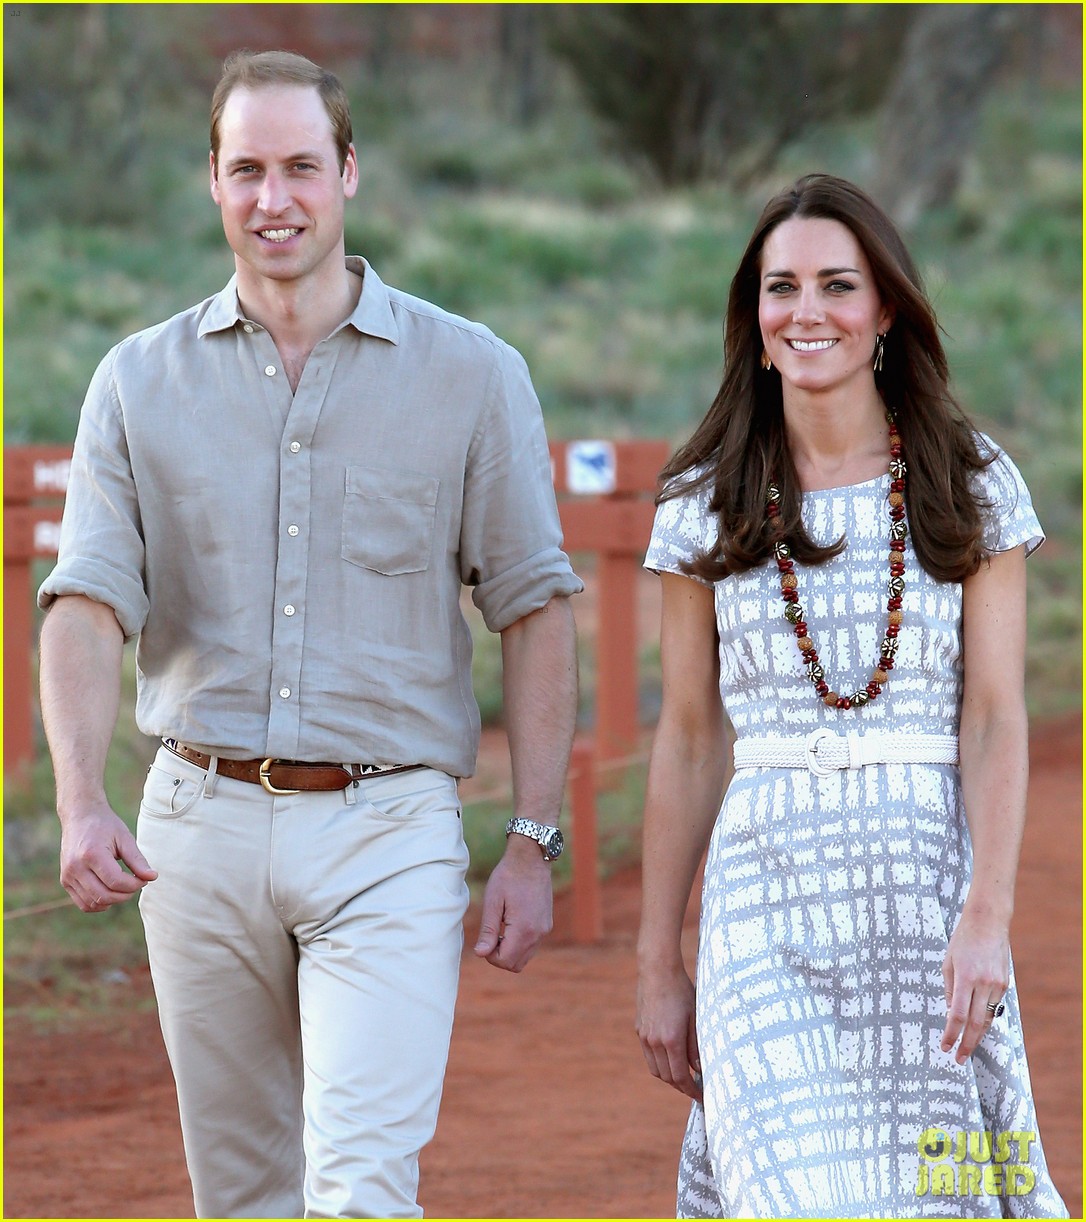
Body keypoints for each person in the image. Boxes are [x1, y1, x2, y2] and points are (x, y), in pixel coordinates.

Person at [38, 49, 582, 1220]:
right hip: (195, 828)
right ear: (214, 184)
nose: (272, 198)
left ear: (348, 172)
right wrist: (82, 795)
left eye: (298, 167)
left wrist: (533, 834)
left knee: (361, 1189)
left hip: (388, 830)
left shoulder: (473, 375)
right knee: (239, 1196)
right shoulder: (135, 382)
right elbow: (85, 602)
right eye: (246, 170)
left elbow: (534, 606)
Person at [635, 174, 1067, 1218]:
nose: (807, 311)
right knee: (786, 1195)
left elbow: (996, 716)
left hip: (925, 905)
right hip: (763, 909)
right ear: (755, 316)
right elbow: (691, 738)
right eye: (781, 287)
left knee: (933, 1197)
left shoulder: (969, 480)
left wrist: (988, 914)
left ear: (884, 312)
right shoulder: (704, 501)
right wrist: (658, 959)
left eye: (838, 284)